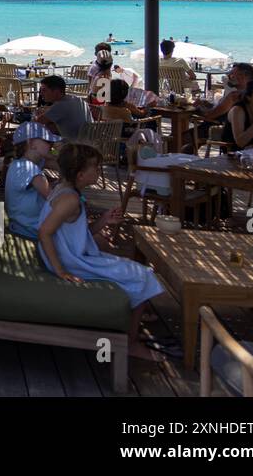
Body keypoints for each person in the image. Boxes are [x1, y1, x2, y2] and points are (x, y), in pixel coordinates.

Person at [36, 142, 165, 360]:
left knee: (133, 268)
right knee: (143, 277)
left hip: (70, 255)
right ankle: (130, 344)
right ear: (80, 175)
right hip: (69, 261)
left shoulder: (65, 189)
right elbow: (45, 232)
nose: (99, 171)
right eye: (95, 167)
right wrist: (60, 270)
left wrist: (103, 220)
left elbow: (73, 233)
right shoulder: (70, 199)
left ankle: (134, 315)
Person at [4, 121, 58, 239]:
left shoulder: (21, 164)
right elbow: (53, 199)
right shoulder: (29, 169)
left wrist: (54, 156)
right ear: (31, 143)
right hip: (30, 227)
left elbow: (59, 165)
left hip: (21, 223)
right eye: (48, 142)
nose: (51, 145)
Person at [36, 75, 89, 140]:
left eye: (44, 90)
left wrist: (37, 115)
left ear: (56, 91)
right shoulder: (78, 100)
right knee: (51, 126)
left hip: (74, 145)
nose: (41, 94)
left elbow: (37, 122)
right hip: (89, 141)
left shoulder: (60, 105)